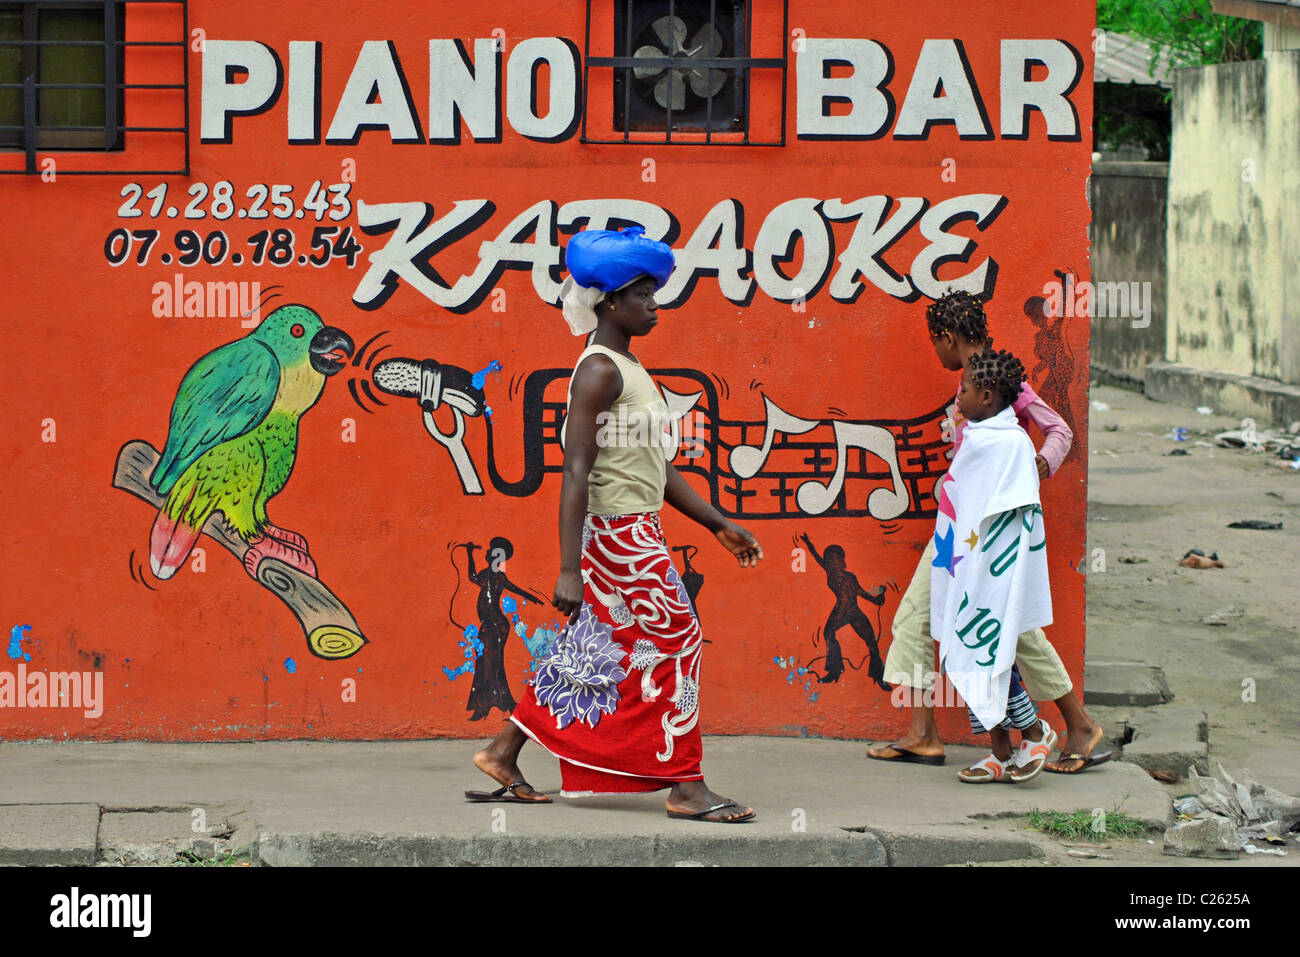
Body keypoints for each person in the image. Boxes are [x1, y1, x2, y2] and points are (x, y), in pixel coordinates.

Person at [466, 226, 765, 822]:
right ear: (609, 303)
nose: (656, 305)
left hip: (635, 529)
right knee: (677, 639)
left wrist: (715, 522)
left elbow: (657, 466)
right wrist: (569, 567)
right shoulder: (599, 371)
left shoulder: (628, 367)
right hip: (616, 537)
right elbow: (575, 471)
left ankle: (504, 750)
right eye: (644, 296)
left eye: (654, 294)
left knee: (591, 646)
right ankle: (685, 785)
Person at [867, 290, 1110, 774]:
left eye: (934, 342)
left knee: (1013, 631)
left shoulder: (1003, 382)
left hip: (987, 534)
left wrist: (1033, 468)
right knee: (918, 617)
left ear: (948, 337)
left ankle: (1076, 724)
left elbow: (1058, 430)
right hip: (958, 531)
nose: (934, 352)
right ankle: (924, 734)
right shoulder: (971, 382)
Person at [937, 349, 1056, 782]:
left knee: (987, 653)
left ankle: (1034, 730)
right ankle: (1000, 752)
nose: (958, 399)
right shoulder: (976, 437)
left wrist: (982, 559)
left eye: (964, 391)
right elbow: (964, 496)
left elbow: (1014, 512)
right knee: (965, 652)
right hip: (964, 561)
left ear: (987, 396)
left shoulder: (1008, 444)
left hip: (991, 568)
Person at [798, 533, 889, 688]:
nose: (833, 562)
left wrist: (876, 600)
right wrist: (808, 542)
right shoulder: (830, 572)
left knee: (871, 642)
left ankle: (878, 675)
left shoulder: (850, 577)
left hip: (854, 612)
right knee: (828, 634)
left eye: (836, 559)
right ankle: (835, 670)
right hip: (840, 611)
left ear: (842, 560)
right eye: (830, 560)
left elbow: (860, 592)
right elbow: (815, 556)